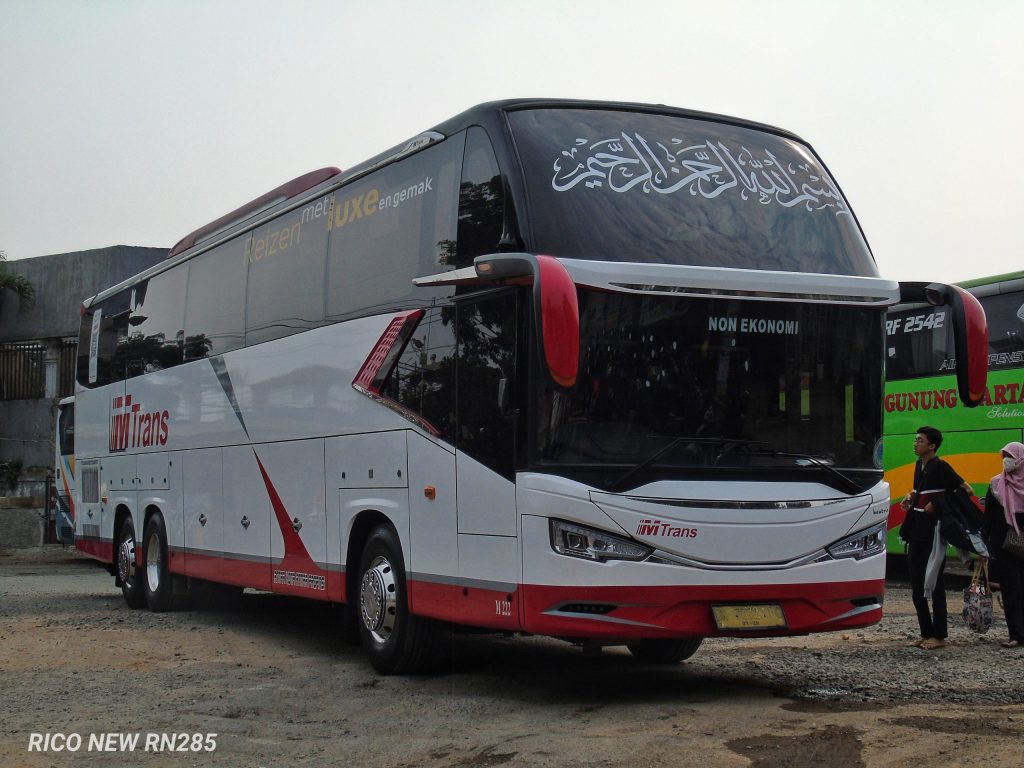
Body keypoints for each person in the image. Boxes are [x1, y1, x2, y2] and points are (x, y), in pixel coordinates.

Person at [900, 426, 974, 650]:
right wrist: (910, 497)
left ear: (931, 446)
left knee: (935, 583)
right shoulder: (917, 465)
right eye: (915, 440)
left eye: (920, 440)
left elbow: (966, 490)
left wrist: (939, 503)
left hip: (934, 533)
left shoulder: (941, 466)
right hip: (916, 531)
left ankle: (939, 635)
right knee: (916, 585)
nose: (915, 443)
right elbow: (920, 492)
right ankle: (926, 632)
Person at [985, 442, 1024, 649]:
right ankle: (1016, 634)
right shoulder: (995, 484)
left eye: (1011, 456)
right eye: (1004, 456)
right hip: (1005, 547)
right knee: (1011, 590)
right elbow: (989, 519)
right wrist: (985, 547)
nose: (1007, 460)